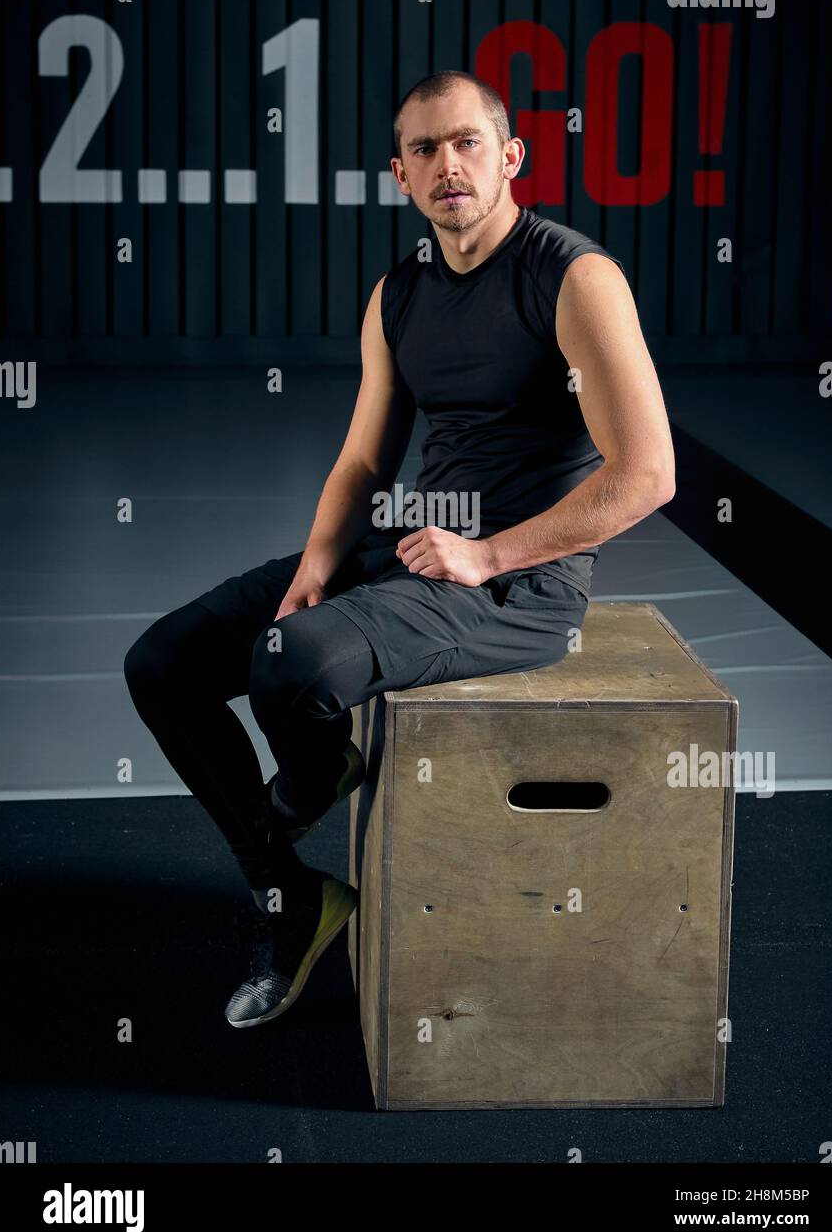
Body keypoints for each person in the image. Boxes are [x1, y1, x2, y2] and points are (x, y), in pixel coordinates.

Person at [123, 70, 676, 1029]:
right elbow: (363, 459)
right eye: (425, 149)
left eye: (468, 143)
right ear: (400, 175)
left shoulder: (574, 277)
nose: (447, 164)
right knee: (164, 663)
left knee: (290, 667)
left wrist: (489, 555)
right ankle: (292, 896)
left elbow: (648, 475)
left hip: (520, 586)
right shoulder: (401, 293)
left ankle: (302, 788)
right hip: (417, 550)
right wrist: (313, 570)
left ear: (511, 158)